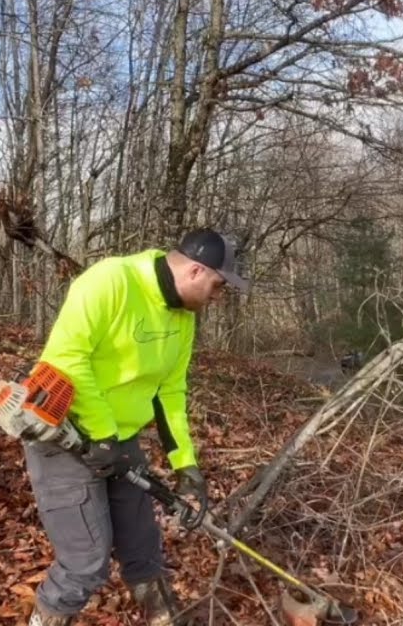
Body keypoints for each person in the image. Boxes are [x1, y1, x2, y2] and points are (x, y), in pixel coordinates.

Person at [24, 229, 248, 626]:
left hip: (119, 440)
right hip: (64, 435)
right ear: (196, 271)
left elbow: (170, 392)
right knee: (85, 564)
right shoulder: (110, 280)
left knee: (144, 550)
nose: (218, 297)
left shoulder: (182, 317)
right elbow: (65, 360)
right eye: (218, 286)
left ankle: (165, 617)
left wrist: (186, 466)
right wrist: (103, 434)